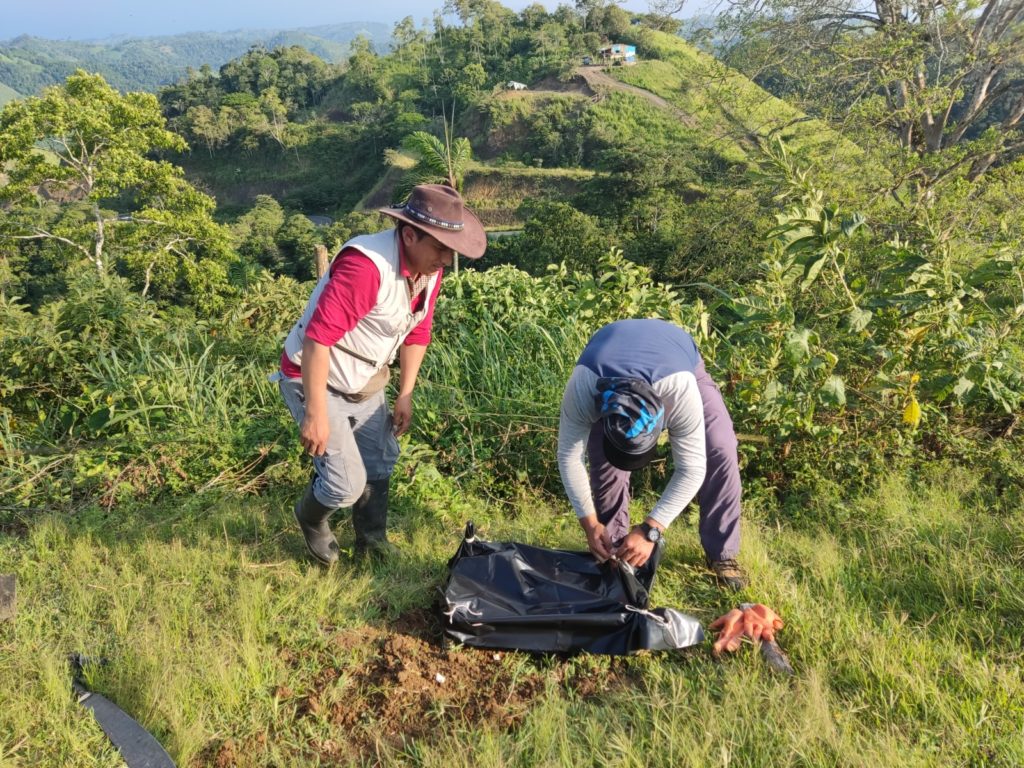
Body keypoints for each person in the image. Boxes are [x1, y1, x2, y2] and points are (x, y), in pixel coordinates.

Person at [275, 184, 486, 564]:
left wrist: (405, 392)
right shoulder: (366, 268)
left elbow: (418, 331)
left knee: (379, 461)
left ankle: (371, 543)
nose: (447, 258)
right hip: (316, 376)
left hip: (366, 381)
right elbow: (318, 341)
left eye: (450, 248)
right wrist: (316, 413)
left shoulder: (427, 269)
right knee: (345, 483)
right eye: (440, 247)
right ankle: (310, 518)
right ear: (409, 234)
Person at [556, 318, 747, 589]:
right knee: (604, 461)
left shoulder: (679, 391)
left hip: (677, 360)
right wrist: (589, 522)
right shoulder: (584, 386)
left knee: (719, 447)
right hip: (606, 363)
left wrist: (651, 530)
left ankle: (722, 555)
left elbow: (692, 469)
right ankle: (615, 548)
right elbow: (569, 456)